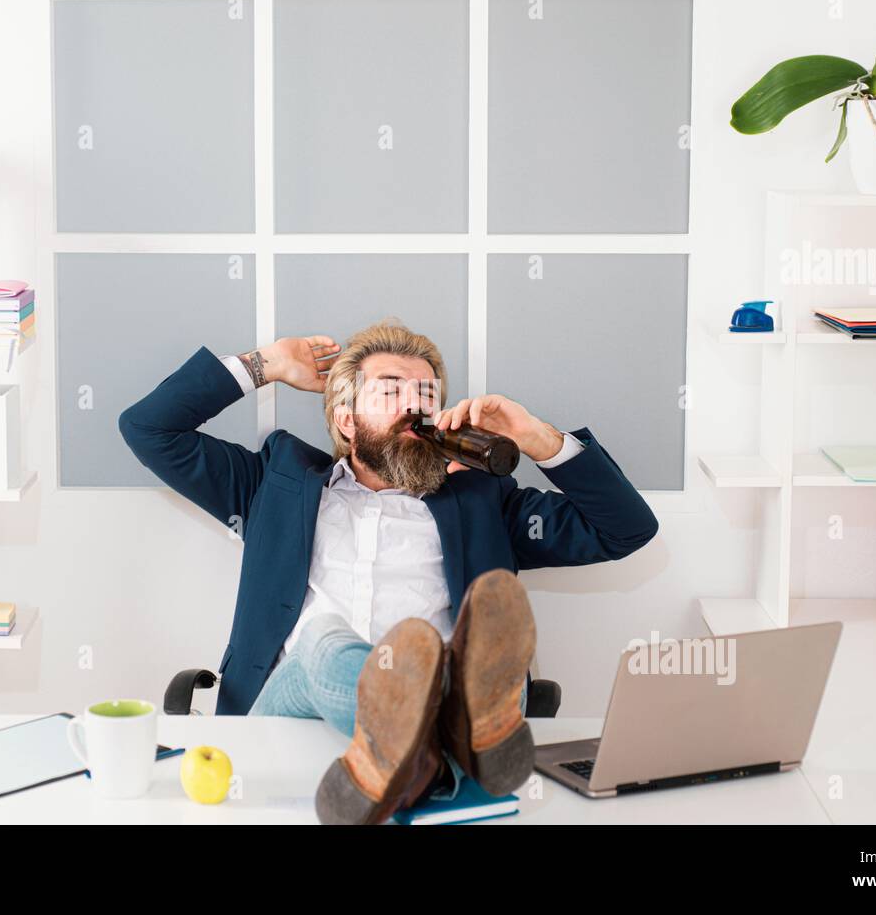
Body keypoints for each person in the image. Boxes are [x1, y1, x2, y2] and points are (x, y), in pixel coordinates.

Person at [119, 318, 659, 823]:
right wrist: (271, 363)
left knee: (467, 653)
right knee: (324, 642)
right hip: (292, 717)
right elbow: (148, 429)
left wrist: (537, 436)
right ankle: (442, 759)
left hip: (445, 697)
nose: (415, 406)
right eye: (392, 390)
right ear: (346, 419)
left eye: (427, 394)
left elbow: (624, 530)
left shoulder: (482, 500)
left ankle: (419, 750)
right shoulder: (273, 484)